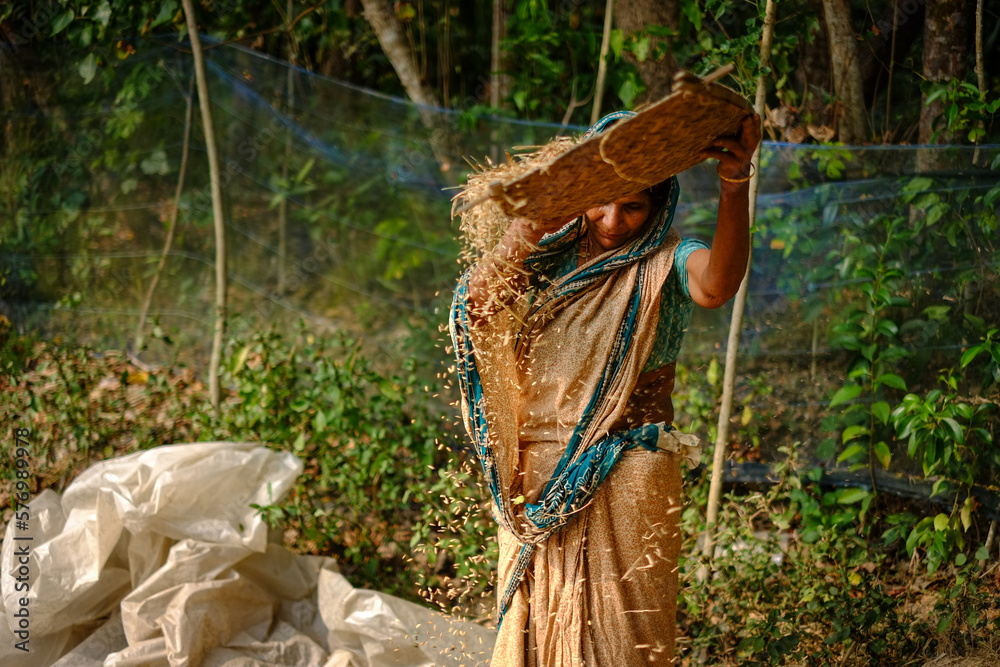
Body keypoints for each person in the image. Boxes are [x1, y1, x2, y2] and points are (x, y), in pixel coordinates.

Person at [449, 110, 762, 666]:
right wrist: (525, 231)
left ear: (659, 203)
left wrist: (734, 185)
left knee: (624, 641)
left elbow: (716, 287)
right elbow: (476, 306)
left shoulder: (666, 261)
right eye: (601, 200)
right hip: (538, 476)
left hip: (629, 470)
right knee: (532, 632)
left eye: (634, 205)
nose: (613, 221)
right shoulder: (548, 262)